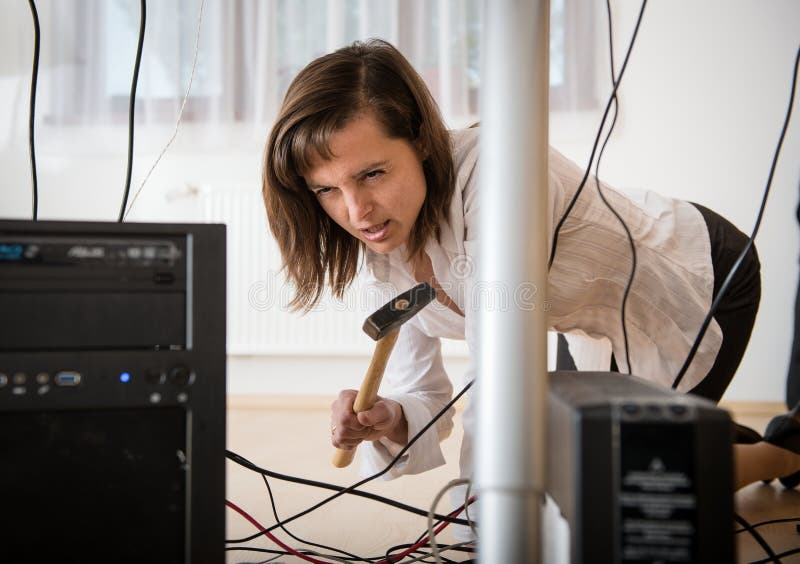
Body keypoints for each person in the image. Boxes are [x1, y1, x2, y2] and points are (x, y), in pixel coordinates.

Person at [262, 39, 800, 501]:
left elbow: (499, 380)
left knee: (620, 487)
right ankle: (714, 440)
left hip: (691, 272)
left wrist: (483, 524)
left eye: (373, 174)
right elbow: (423, 391)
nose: (356, 212)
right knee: (578, 470)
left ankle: (787, 451)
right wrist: (390, 416)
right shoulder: (381, 235)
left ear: (422, 140)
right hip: (587, 319)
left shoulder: (499, 172)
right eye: (327, 189)